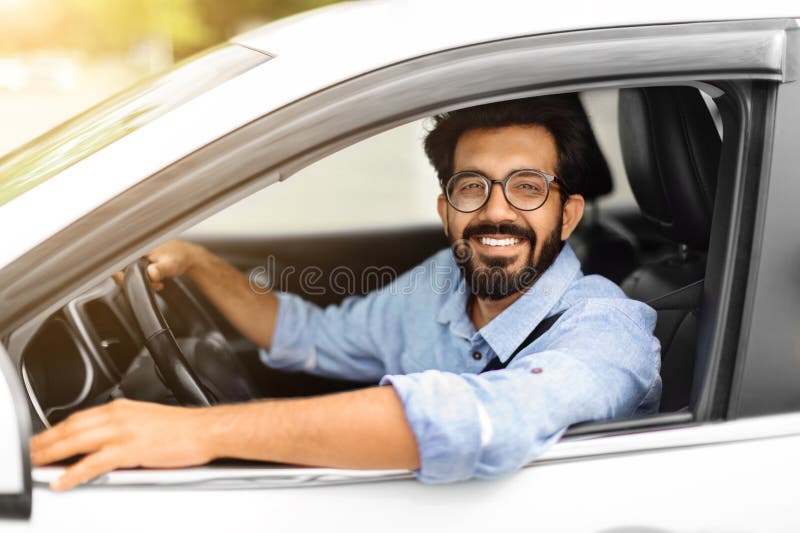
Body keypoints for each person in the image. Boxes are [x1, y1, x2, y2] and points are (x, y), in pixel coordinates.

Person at [30, 94, 661, 491]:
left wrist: (201, 432)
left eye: (527, 187)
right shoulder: (442, 281)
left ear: (569, 214)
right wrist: (199, 264)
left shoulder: (606, 330)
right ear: (446, 210)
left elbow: (479, 420)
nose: (497, 214)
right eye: (473, 188)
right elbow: (308, 336)